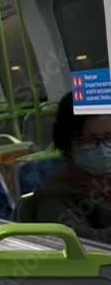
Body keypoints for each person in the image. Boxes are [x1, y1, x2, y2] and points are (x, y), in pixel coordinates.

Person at [27, 93, 111, 243]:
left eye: (109, 137)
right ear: (68, 144)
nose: (102, 147)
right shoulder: (53, 199)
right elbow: (83, 245)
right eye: (89, 140)